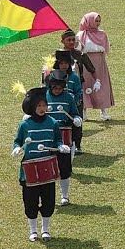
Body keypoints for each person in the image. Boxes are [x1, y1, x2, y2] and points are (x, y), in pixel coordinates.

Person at [12, 86, 67, 241]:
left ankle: (45, 230)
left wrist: (61, 146)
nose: (42, 108)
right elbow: (17, 141)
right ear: (32, 107)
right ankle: (33, 230)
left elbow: (57, 139)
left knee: (48, 201)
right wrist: (17, 149)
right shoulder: (25, 125)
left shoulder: (53, 123)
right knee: (30, 202)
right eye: (39, 106)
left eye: (44, 105)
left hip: (47, 167)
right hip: (29, 169)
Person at [44, 69, 81, 207]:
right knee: (47, 168)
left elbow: (75, 113)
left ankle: (65, 195)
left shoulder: (68, 98)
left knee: (64, 167)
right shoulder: (44, 97)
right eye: (55, 88)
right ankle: (48, 197)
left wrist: (77, 119)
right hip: (47, 136)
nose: (57, 90)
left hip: (65, 136)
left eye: (60, 88)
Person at [77, 13, 113, 121]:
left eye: (99, 21)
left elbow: (106, 48)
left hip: (99, 62)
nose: (97, 23)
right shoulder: (81, 34)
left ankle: (103, 111)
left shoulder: (102, 34)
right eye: (95, 21)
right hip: (85, 62)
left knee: (101, 85)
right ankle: (84, 112)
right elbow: (78, 49)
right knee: (85, 85)